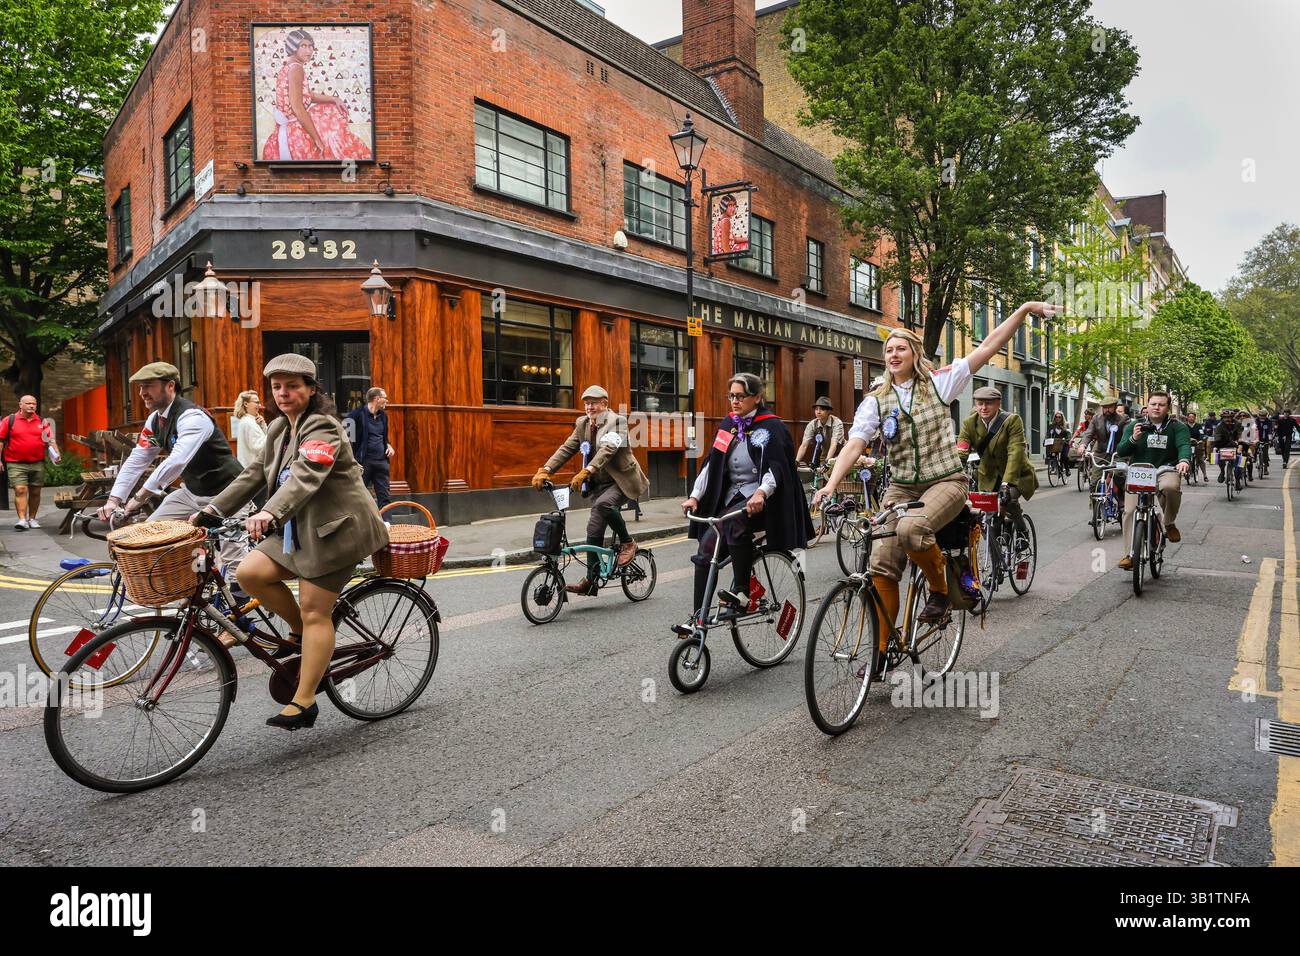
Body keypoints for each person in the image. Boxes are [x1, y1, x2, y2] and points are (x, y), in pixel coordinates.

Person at [816, 301, 1057, 633]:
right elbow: (855, 444)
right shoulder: (875, 400)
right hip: (901, 486)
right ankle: (882, 654)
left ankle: (940, 591)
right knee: (881, 566)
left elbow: (989, 345)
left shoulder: (940, 383)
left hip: (946, 481)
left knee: (910, 529)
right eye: (889, 350)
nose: (893, 355)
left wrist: (1025, 309)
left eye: (901, 348)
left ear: (915, 353)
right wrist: (830, 484)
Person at [199, 353, 389, 730]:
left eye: (292, 386)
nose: (283, 393)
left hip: (337, 529)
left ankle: (304, 702)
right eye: (277, 387)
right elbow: (255, 473)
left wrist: (269, 512)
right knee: (250, 573)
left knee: (315, 609)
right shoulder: (277, 428)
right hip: (298, 528)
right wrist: (213, 509)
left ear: (311, 389)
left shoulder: (324, 427)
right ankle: (300, 632)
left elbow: (306, 475)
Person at [678, 373, 811, 634]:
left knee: (736, 523)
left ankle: (742, 592)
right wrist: (695, 495)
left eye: (740, 396)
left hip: (763, 502)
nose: (735, 401)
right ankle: (697, 619)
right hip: (730, 497)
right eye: (731, 396)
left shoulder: (772, 426)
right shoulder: (729, 424)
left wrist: (761, 493)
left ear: (757, 397)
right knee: (705, 552)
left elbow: (777, 469)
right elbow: (711, 465)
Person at [99, 363, 251, 576]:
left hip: (228, 493)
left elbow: (176, 461)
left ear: (170, 386)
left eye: (148, 386)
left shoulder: (193, 418)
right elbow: (137, 459)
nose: (142, 393)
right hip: (192, 492)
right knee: (152, 532)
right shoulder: (155, 421)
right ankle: (198, 582)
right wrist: (114, 500)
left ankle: (238, 603)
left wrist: (139, 498)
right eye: (140, 387)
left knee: (234, 562)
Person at [532, 385, 648, 595]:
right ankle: (592, 580)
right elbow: (567, 448)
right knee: (593, 532)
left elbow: (608, 450)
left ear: (604, 403)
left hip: (621, 481)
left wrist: (587, 470)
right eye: (586, 403)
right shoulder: (583, 424)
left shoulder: (617, 422)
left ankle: (628, 543)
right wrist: (545, 470)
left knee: (604, 505)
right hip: (599, 485)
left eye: (594, 403)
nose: (589, 407)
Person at [260, 29, 370, 161]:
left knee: (329, 109)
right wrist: (317, 139)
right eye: (303, 46)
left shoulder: (289, 66)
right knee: (332, 125)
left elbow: (307, 95)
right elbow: (297, 107)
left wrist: (334, 99)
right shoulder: (296, 69)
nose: (309, 51)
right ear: (293, 47)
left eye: (310, 46)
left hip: (290, 128)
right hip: (295, 132)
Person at [1115, 392, 1191, 569]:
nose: (1156, 407)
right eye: (1153, 404)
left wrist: (1183, 461)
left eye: (1161, 404)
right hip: (1139, 471)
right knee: (1129, 511)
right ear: (1147, 406)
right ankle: (1129, 554)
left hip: (1165, 469)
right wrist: (1133, 439)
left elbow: (1183, 445)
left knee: (1171, 487)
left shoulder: (1177, 427)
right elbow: (1121, 451)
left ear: (1168, 408)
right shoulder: (1134, 425)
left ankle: (1169, 523)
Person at [957, 386, 1036, 546]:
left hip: (1016, 475)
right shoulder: (969, 423)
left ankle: (1022, 531)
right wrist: (955, 475)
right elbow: (961, 452)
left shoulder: (1011, 420)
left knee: (1009, 500)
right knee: (987, 515)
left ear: (998, 403)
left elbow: (1016, 451)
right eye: (980, 403)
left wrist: (1007, 483)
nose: (983, 408)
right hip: (988, 476)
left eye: (989, 403)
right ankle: (995, 558)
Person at [0, 395, 58, 530]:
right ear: (20, 404)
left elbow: (50, 439)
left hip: (37, 462)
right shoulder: (10, 420)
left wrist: (56, 454)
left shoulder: (43, 421)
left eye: (34, 404)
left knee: (35, 492)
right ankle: (22, 519)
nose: (32, 406)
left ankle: (32, 518)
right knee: (20, 489)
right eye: (28, 403)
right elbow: (1, 441)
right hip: (15, 462)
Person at [345, 387, 394, 508]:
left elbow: (384, 437)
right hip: (363, 463)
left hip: (382, 462)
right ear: (377, 399)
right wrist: (352, 461)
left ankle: (386, 524)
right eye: (385, 398)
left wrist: (388, 445)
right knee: (358, 496)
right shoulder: (354, 415)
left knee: (385, 497)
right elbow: (343, 439)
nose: (387, 401)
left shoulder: (383, 416)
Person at [1082, 395, 1129, 509]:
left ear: (1114, 407)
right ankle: (1096, 510)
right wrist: (1083, 445)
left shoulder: (1123, 419)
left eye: (1109, 407)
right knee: (1094, 482)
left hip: (1117, 454)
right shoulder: (1096, 419)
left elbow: (1126, 436)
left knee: (1118, 474)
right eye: (1105, 407)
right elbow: (1088, 433)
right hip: (1101, 453)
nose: (1107, 410)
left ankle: (1121, 497)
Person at [796, 396, 844, 471]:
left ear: (828, 411)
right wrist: (796, 462)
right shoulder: (812, 424)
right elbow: (804, 445)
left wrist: (827, 462)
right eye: (816, 409)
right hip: (825, 455)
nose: (818, 412)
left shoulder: (837, 422)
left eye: (822, 409)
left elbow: (834, 444)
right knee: (822, 478)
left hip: (841, 455)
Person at [232, 390, 267, 469]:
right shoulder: (249, 422)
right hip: (253, 469)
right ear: (246, 404)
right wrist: (273, 433)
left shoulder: (249, 420)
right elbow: (259, 447)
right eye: (256, 402)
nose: (259, 405)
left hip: (250, 468)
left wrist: (263, 426)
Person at [1214, 409, 1242, 486]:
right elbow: (1217, 438)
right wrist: (1218, 446)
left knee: (1240, 461)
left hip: (1236, 444)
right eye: (1225, 417)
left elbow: (1241, 434)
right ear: (1222, 418)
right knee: (1217, 455)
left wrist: (1239, 443)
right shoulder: (1219, 426)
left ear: (1232, 417)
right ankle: (1222, 471)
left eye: (1229, 417)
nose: (1227, 419)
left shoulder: (1238, 424)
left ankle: (1238, 480)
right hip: (1223, 444)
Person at [1045, 410, 1072, 478]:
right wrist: (1046, 439)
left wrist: (1067, 439)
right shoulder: (1051, 426)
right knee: (1052, 454)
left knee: (1064, 456)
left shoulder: (1066, 425)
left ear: (1062, 418)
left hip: (1064, 443)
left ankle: (1067, 469)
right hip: (1055, 443)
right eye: (1056, 417)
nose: (1057, 418)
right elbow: (1048, 434)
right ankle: (1054, 467)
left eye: (1059, 417)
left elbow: (1069, 434)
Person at [1185, 411, 1208, 480]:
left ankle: (1205, 475)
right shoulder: (1184, 426)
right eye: (1190, 417)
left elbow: (1202, 434)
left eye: (1193, 417)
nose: (1191, 418)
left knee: (1200, 459)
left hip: (1197, 444)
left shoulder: (1198, 425)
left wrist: (1201, 440)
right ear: (1187, 418)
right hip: (1187, 443)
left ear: (1195, 418)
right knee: (1185, 458)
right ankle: (1186, 472)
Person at [1239, 411, 1259, 482]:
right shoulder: (1235, 424)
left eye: (1244, 416)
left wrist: (1255, 440)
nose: (1242, 417)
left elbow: (1255, 433)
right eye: (1240, 416)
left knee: (1249, 458)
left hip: (1248, 442)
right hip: (1239, 443)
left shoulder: (1252, 424)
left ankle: (1250, 474)